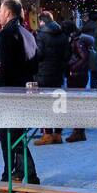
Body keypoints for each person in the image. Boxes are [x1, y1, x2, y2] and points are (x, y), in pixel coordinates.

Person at [0, 0, 40, 193]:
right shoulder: (28, 34)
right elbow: (34, 66)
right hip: (25, 91)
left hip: (7, 94)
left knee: (12, 138)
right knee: (15, 136)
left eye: (0, 11)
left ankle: (29, 182)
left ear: (8, 13)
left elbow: (4, 66)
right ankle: (15, 177)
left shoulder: (6, 34)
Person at [34, 10, 70, 145]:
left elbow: (39, 54)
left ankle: (47, 134)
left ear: (42, 21)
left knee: (45, 104)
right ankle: (58, 134)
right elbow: (67, 55)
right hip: (58, 72)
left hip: (44, 73)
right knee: (59, 103)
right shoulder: (62, 34)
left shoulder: (41, 35)